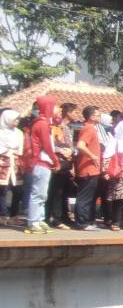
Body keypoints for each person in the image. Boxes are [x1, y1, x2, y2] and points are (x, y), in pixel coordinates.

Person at [24, 95, 62, 234]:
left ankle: (39, 219)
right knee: (38, 193)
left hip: (43, 162)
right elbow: (46, 145)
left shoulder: (44, 122)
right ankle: (33, 222)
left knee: (42, 193)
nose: (56, 109)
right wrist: (56, 160)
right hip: (40, 162)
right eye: (54, 106)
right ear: (48, 107)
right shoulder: (42, 123)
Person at [47, 102, 77, 229]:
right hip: (59, 161)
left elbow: (70, 145)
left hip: (68, 162)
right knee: (57, 191)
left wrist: (72, 153)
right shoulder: (55, 127)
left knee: (64, 191)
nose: (76, 114)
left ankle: (65, 216)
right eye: (74, 112)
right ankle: (56, 218)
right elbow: (53, 144)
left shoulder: (69, 127)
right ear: (68, 113)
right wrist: (63, 151)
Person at [73, 105, 102, 230]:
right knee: (85, 196)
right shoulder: (89, 128)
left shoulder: (87, 127)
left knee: (87, 196)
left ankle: (84, 220)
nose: (99, 116)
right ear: (91, 117)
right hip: (89, 169)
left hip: (90, 168)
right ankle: (82, 222)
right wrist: (93, 156)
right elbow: (80, 145)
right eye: (98, 114)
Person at [0, 109, 23, 227]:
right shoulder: (1, 132)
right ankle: (3, 215)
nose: (17, 121)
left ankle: (14, 215)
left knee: (17, 190)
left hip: (15, 163)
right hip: (3, 162)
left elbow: (21, 148)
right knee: (2, 190)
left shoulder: (18, 132)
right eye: (15, 119)